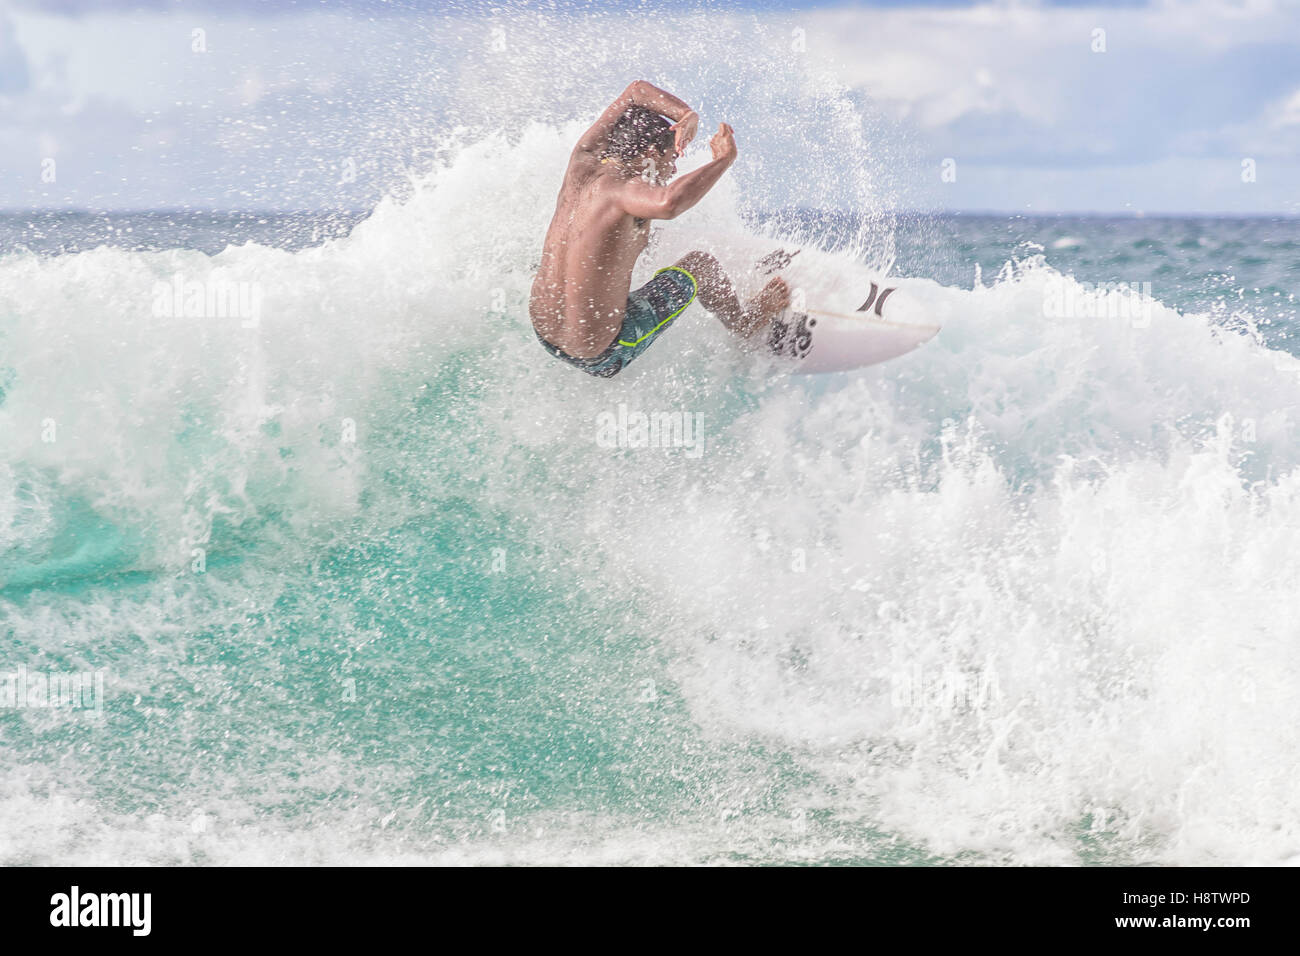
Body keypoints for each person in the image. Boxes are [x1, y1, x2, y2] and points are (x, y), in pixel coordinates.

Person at [529, 80, 790, 378]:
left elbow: (634, 92)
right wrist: (723, 161)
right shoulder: (624, 190)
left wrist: (686, 114)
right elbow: (669, 202)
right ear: (652, 154)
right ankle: (745, 321)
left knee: (630, 236)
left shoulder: (582, 160)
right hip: (601, 352)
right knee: (700, 266)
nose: (673, 170)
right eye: (672, 159)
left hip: (543, 331)